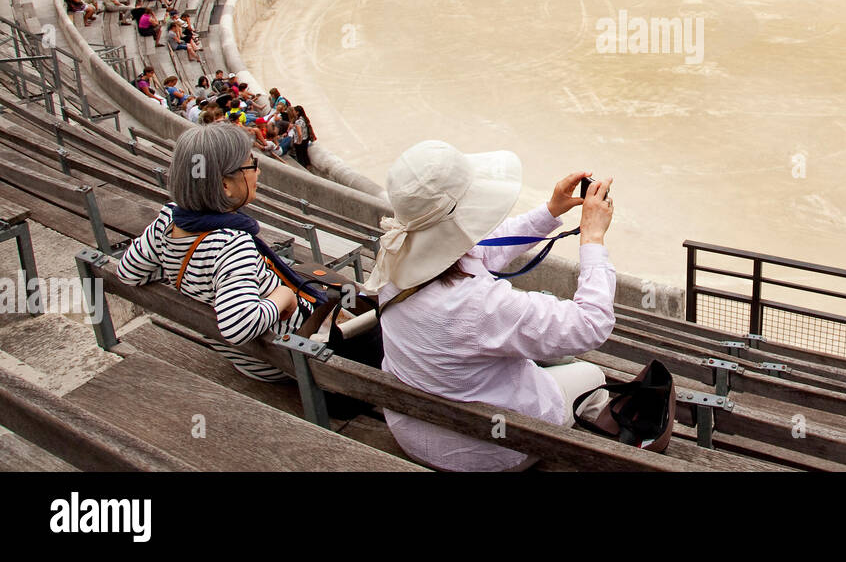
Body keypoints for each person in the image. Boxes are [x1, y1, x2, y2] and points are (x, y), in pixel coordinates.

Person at [366, 140, 616, 471]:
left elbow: (481, 250)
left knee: (547, 353)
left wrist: (550, 211)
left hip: (413, 431)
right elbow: (591, 324)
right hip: (490, 452)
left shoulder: (392, 261)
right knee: (592, 373)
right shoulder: (481, 305)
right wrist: (592, 238)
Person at [118, 123, 309, 381]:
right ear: (225, 186)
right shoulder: (232, 244)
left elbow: (129, 272)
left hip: (245, 360)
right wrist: (284, 296)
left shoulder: (168, 220)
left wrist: (187, 272)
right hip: (285, 361)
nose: (258, 171)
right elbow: (239, 325)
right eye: (250, 165)